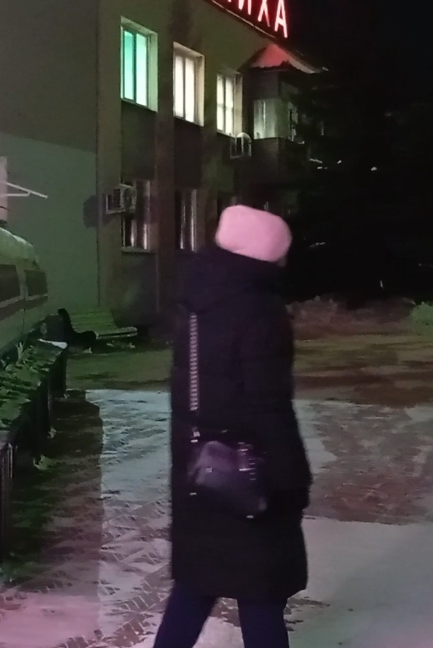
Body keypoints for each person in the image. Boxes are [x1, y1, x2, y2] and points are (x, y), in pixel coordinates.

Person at [156, 206, 312, 648]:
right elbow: (268, 407)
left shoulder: (197, 298)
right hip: (250, 469)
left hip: (199, 464)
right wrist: (291, 479)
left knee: (197, 582)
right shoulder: (260, 310)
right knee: (260, 592)